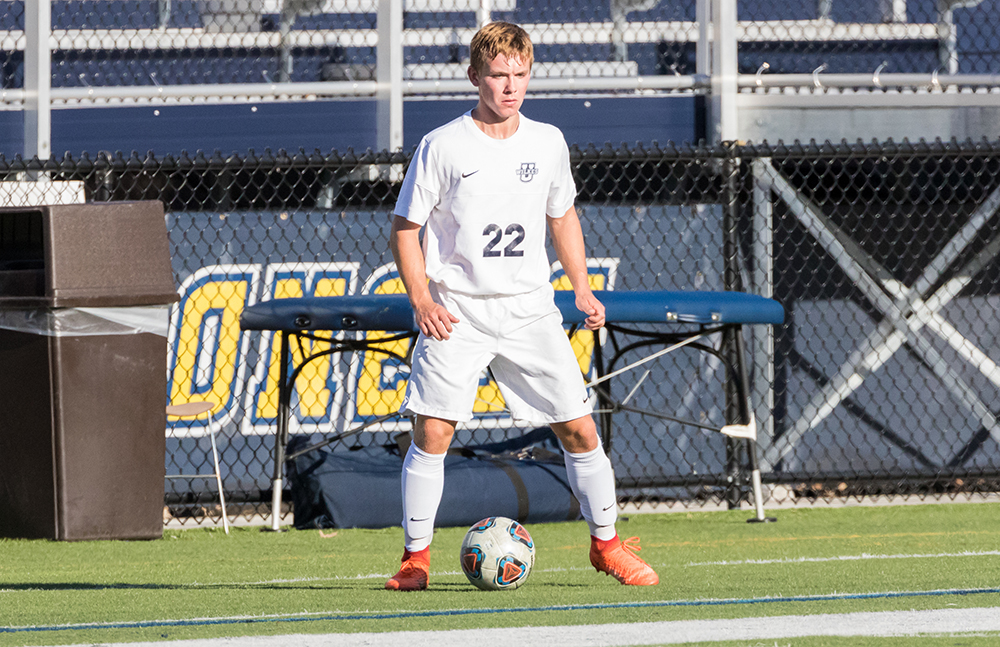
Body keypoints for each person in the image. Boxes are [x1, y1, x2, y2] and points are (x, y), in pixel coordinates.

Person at [386, 21, 658, 591]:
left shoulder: (548, 141)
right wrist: (421, 298)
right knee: (432, 432)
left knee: (581, 432)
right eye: (497, 74)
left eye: (519, 74)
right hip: (458, 310)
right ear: (474, 77)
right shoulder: (443, 145)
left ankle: (606, 546)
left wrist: (580, 286)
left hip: (529, 309)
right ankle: (416, 560)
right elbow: (405, 229)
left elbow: (562, 216)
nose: (510, 86)